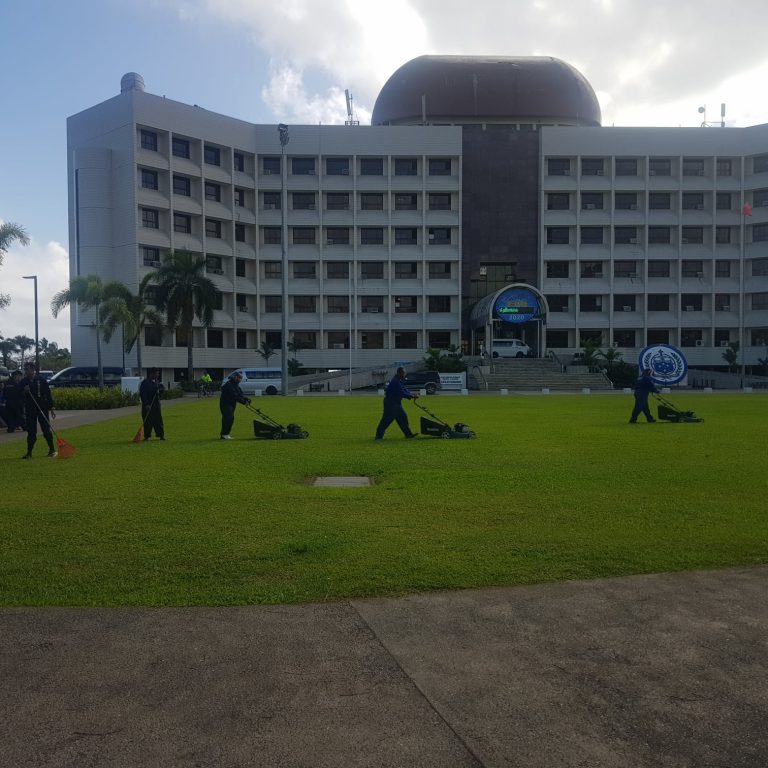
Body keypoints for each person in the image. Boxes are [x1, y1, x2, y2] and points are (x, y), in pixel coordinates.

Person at [21, 362, 57, 458]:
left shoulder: (41, 380)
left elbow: (48, 394)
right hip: (30, 409)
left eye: (27, 369)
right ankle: (29, 453)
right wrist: (24, 391)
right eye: (25, 369)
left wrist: (52, 408)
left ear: (33, 370)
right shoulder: (24, 381)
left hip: (42, 407)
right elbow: (19, 394)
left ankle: (52, 450)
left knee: (46, 429)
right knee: (31, 431)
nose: (26, 371)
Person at [375, 367, 419, 440]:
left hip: (395, 403)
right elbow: (401, 392)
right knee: (386, 420)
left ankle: (408, 434)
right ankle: (378, 436)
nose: (405, 374)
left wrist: (411, 394)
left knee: (402, 418)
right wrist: (411, 396)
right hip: (391, 403)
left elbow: (404, 389)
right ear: (400, 373)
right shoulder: (395, 382)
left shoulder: (398, 380)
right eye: (404, 373)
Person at [220, 371, 250, 439]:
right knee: (228, 417)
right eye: (239, 378)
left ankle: (226, 434)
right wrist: (244, 402)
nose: (240, 380)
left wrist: (246, 399)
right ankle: (224, 434)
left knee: (231, 418)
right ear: (235, 377)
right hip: (225, 403)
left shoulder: (235, 385)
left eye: (240, 378)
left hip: (232, 404)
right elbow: (234, 396)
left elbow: (240, 393)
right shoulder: (228, 385)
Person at [139, 368, 165, 440]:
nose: (158, 375)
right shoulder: (145, 383)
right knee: (147, 421)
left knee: (158, 420)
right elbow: (143, 395)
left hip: (156, 405)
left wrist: (160, 390)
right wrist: (146, 404)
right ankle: (147, 436)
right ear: (152, 373)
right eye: (157, 373)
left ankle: (161, 435)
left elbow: (160, 393)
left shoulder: (157, 382)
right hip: (148, 406)